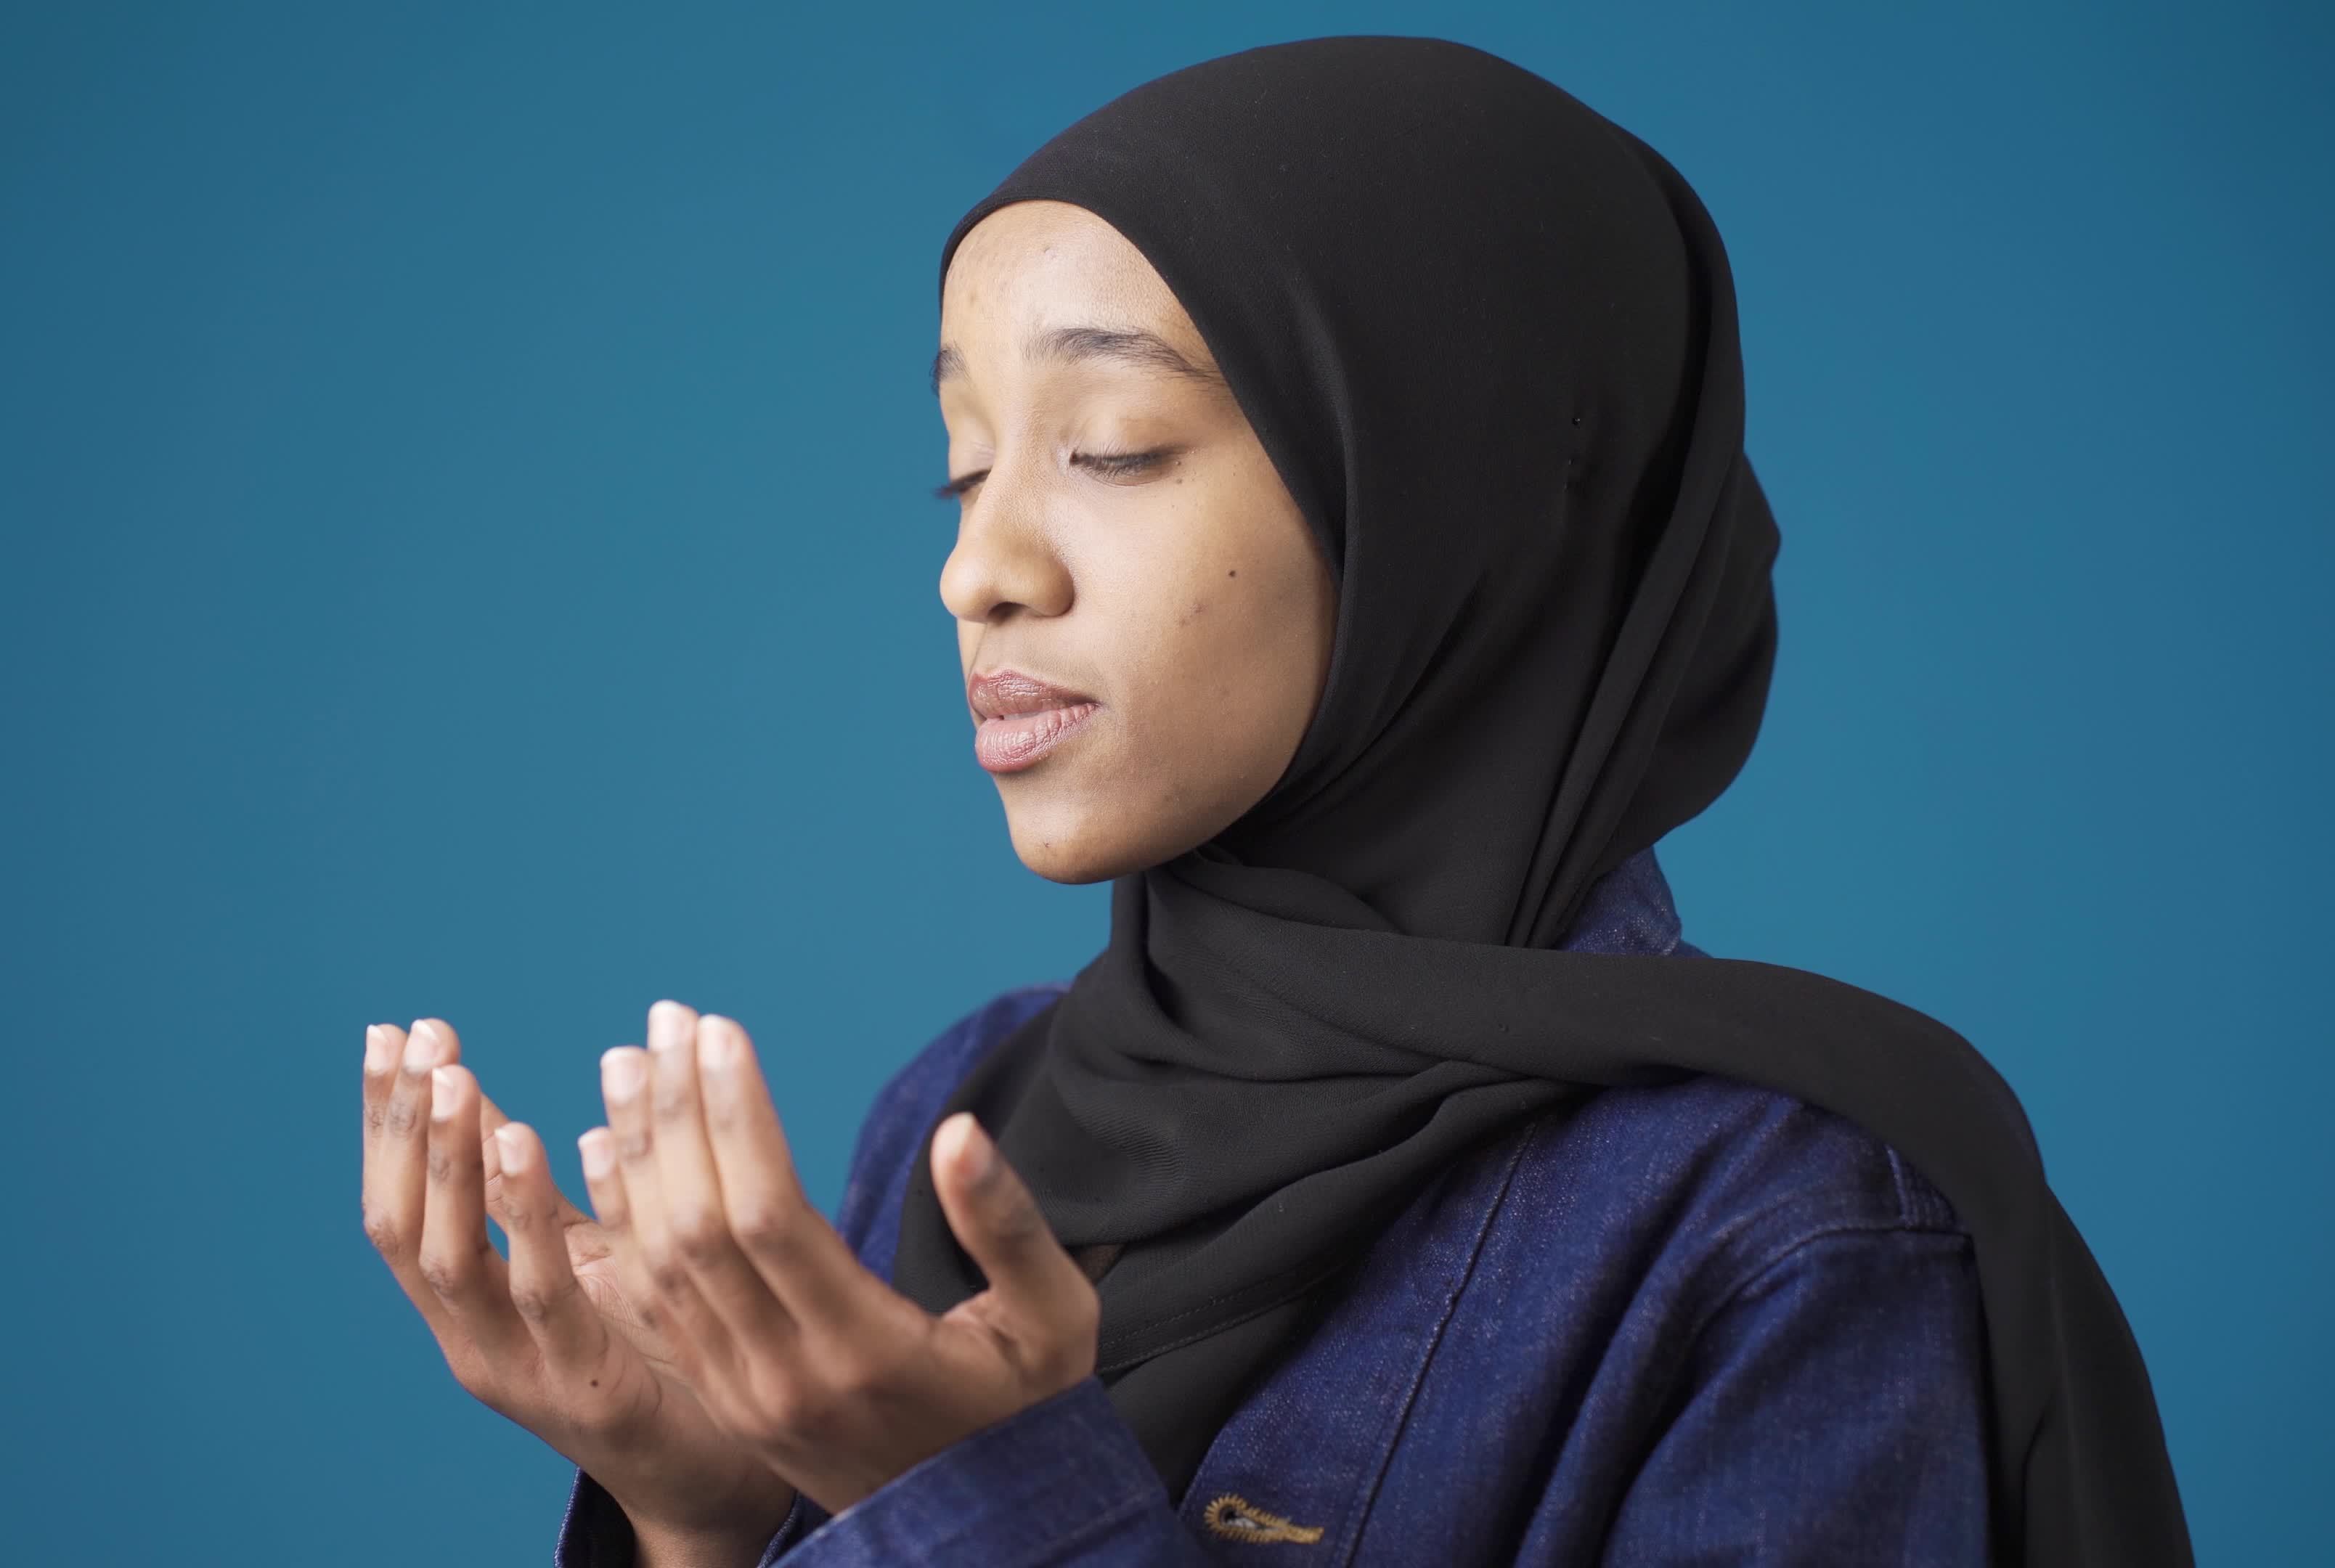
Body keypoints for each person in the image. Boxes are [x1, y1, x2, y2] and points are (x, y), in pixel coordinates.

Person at [356, 37, 2191, 1567]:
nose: (976, 571)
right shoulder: (966, 1114)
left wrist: (979, 1508)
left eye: (1113, 450)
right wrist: (701, 1515)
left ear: (1455, 507)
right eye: (961, 470)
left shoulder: (1788, 1239)